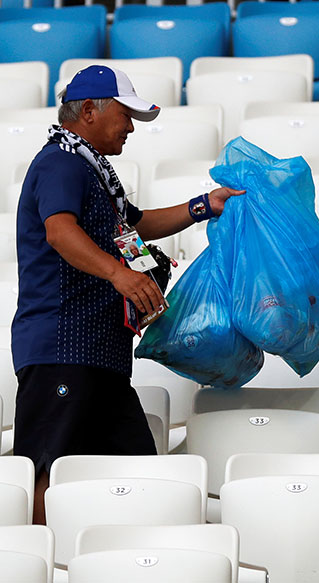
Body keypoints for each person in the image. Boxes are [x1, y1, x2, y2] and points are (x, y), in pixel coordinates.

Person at [12, 65, 244, 524]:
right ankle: (36, 560)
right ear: (90, 111)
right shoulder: (60, 161)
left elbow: (135, 225)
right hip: (63, 348)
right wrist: (120, 276)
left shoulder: (91, 169)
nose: (132, 127)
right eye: (126, 114)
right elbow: (59, 232)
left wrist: (204, 206)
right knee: (49, 469)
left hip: (100, 354)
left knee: (136, 469)